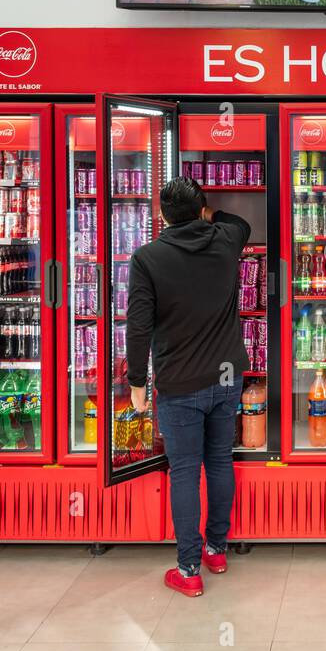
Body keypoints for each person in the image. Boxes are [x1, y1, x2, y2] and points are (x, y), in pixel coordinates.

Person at [126, 176, 250, 597]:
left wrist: (137, 381)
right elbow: (239, 222)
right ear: (201, 210)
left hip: (179, 382)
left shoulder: (147, 258)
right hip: (227, 377)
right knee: (219, 463)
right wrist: (209, 214)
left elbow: (139, 326)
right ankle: (217, 549)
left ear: (161, 216)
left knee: (184, 471)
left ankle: (188, 568)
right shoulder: (226, 240)